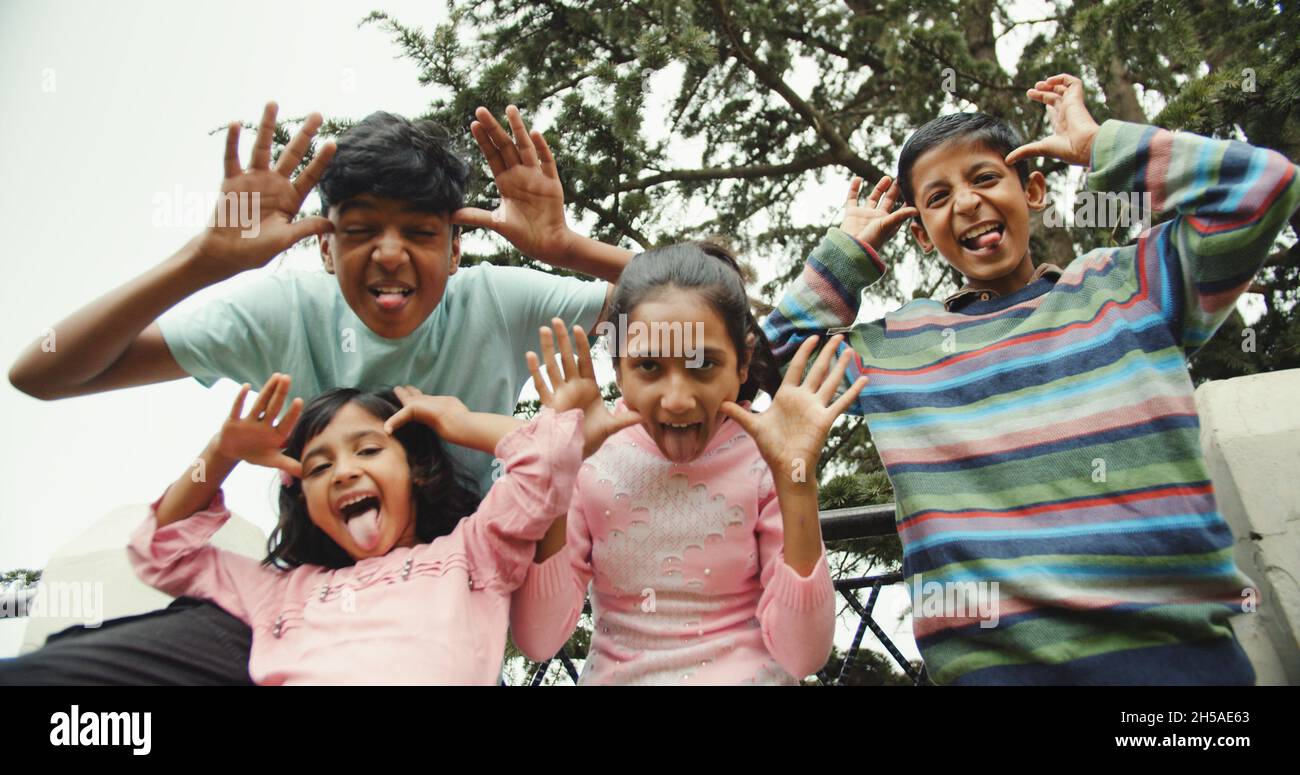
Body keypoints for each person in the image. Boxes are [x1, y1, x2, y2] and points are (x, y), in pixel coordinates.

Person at [2, 103, 624, 684]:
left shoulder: (499, 302)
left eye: (418, 231)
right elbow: (42, 373)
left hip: (444, 600)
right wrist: (202, 261)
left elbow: (711, 310)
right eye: (359, 231)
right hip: (303, 603)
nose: (388, 253)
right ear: (325, 247)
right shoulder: (284, 314)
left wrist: (567, 249)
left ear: (455, 248)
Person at [760, 74, 1300, 684]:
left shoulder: (1133, 287)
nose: (965, 203)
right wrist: (847, 255)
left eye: (985, 178)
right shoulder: (895, 349)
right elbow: (766, 360)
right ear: (919, 233)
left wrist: (1100, 144)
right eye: (937, 198)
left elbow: (1262, 188)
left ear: (1035, 188)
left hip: (1179, 669)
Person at [509, 242, 868, 684]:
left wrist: (796, 483)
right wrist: (555, 478)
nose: (677, 400)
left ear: (741, 362)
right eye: (649, 366)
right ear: (618, 370)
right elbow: (538, 639)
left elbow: (804, 655)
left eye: (703, 365)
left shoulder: (766, 455)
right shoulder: (587, 453)